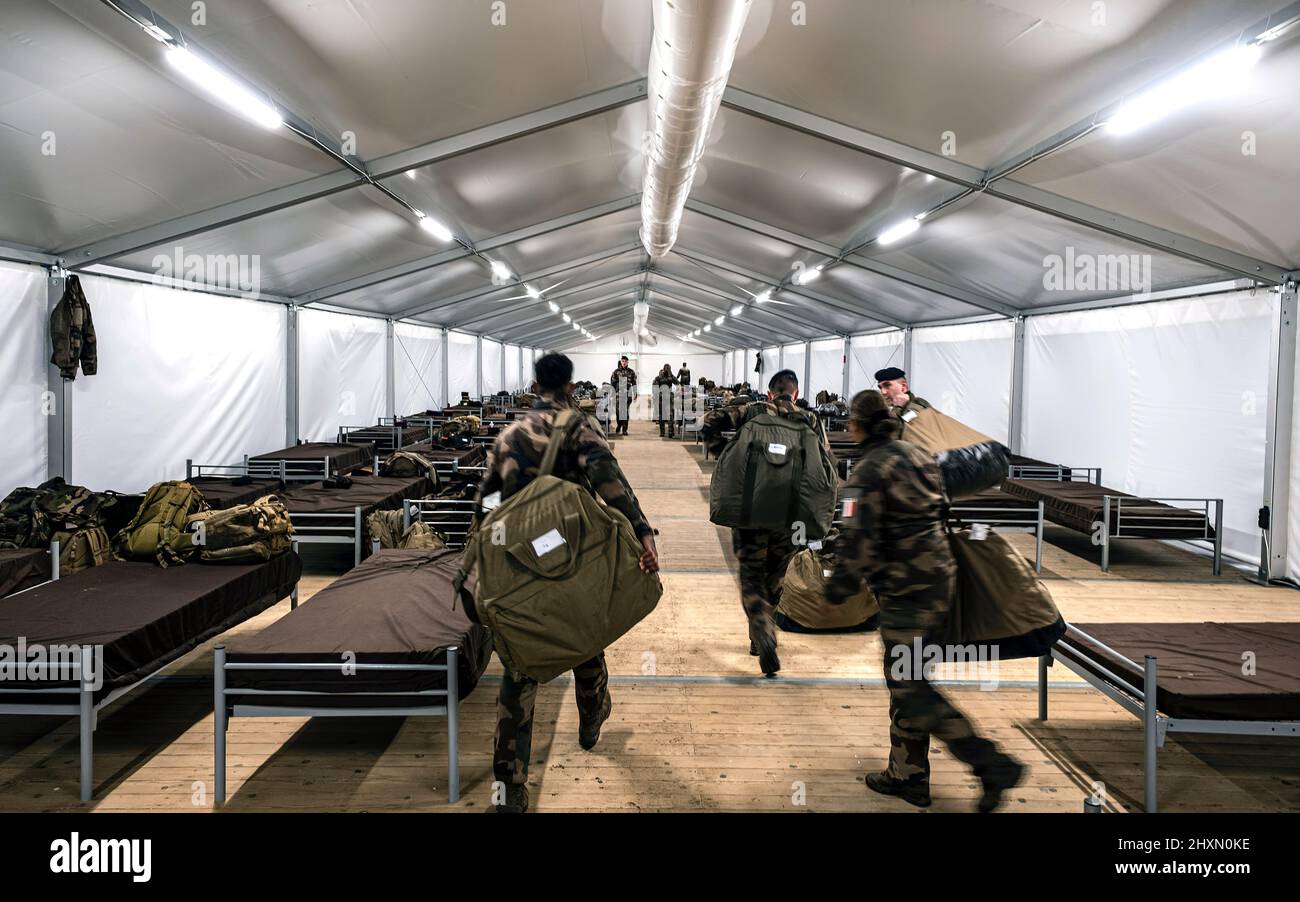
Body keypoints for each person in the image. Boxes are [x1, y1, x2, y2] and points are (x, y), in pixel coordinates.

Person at [475, 352, 660, 813]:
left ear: (534, 383)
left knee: (520, 663)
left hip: (520, 563)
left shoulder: (511, 435)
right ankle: (592, 716)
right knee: (581, 630)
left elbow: (487, 501)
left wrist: (482, 556)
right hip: (573, 555)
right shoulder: (579, 428)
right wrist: (642, 533)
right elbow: (611, 484)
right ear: (571, 385)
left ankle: (510, 784)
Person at [824, 390, 1023, 812]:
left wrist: (838, 587)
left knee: (911, 688)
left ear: (855, 427)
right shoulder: (919, 456)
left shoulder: (864, 474)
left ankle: (989, 762)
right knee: (908, 677)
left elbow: (855, 541)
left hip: (906, 595)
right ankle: (908, 774)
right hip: (938, 583)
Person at [702, 369, 827, 676]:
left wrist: (724, 455)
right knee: (777, 572)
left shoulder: (754, 410)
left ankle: (760, 628)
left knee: (751, 573)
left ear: (770, 393)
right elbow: (825, 463)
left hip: (750, 510)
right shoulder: (809, 419)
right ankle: (765, 630)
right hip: (790, 515)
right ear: (795, 394)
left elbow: (709, 424)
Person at [610, 355, 638, 435]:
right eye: (623, 361)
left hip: (628, 395)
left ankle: (625, 429)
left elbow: (634, 383)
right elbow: (613, 384)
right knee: (618, 412)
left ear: (627, 362)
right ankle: (619, 425)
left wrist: (635, 393)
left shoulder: (631, 372)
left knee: (625, 412)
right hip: (618, 395)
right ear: (621, 362)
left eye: (625, 361)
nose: (624, 363)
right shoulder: (616, 372)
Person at [652, 364, 678, 438]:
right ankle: (666, 432)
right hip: (663, 398)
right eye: (667, 369)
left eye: (668, 369)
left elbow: (677, 383)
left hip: (667, 398)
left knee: (667, 415)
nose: (667, 370)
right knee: (666, 415)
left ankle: (667, 432)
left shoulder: (668, 377)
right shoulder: (660, 377)